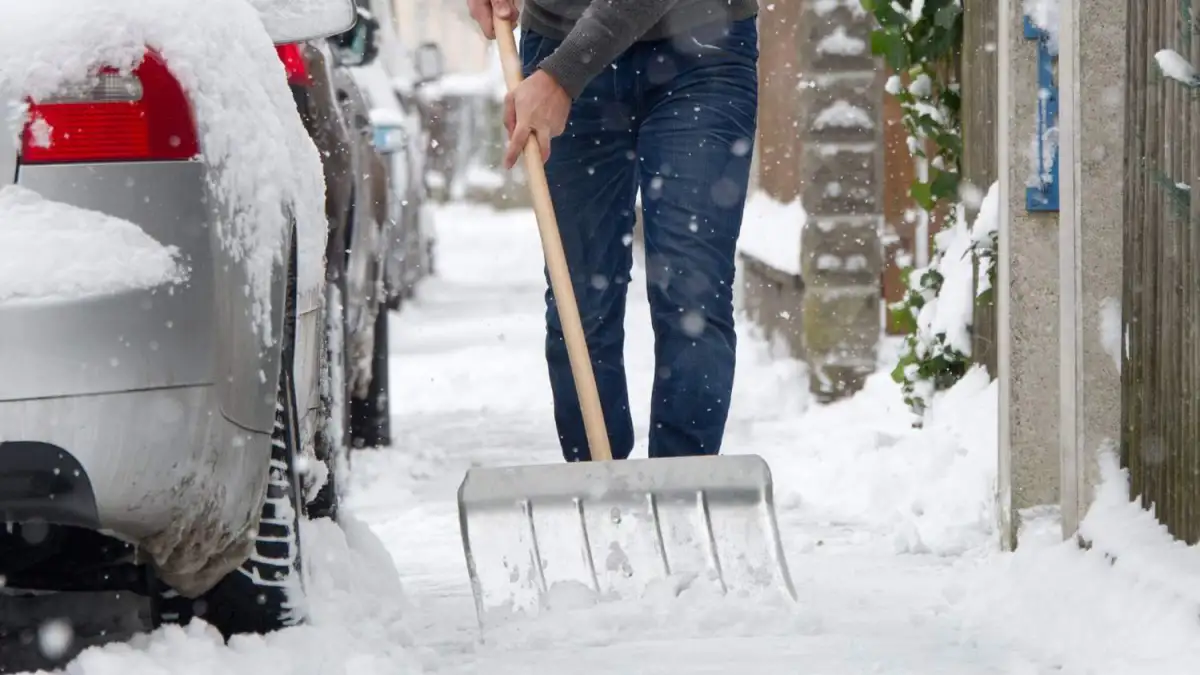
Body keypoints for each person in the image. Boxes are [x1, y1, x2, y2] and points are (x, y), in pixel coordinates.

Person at [467, 0, 759, 461]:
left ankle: (681, 489)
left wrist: (564, 74)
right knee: (578, 306)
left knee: (692, 297)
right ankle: (599, 489)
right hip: (558, 40)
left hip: (702, 50)